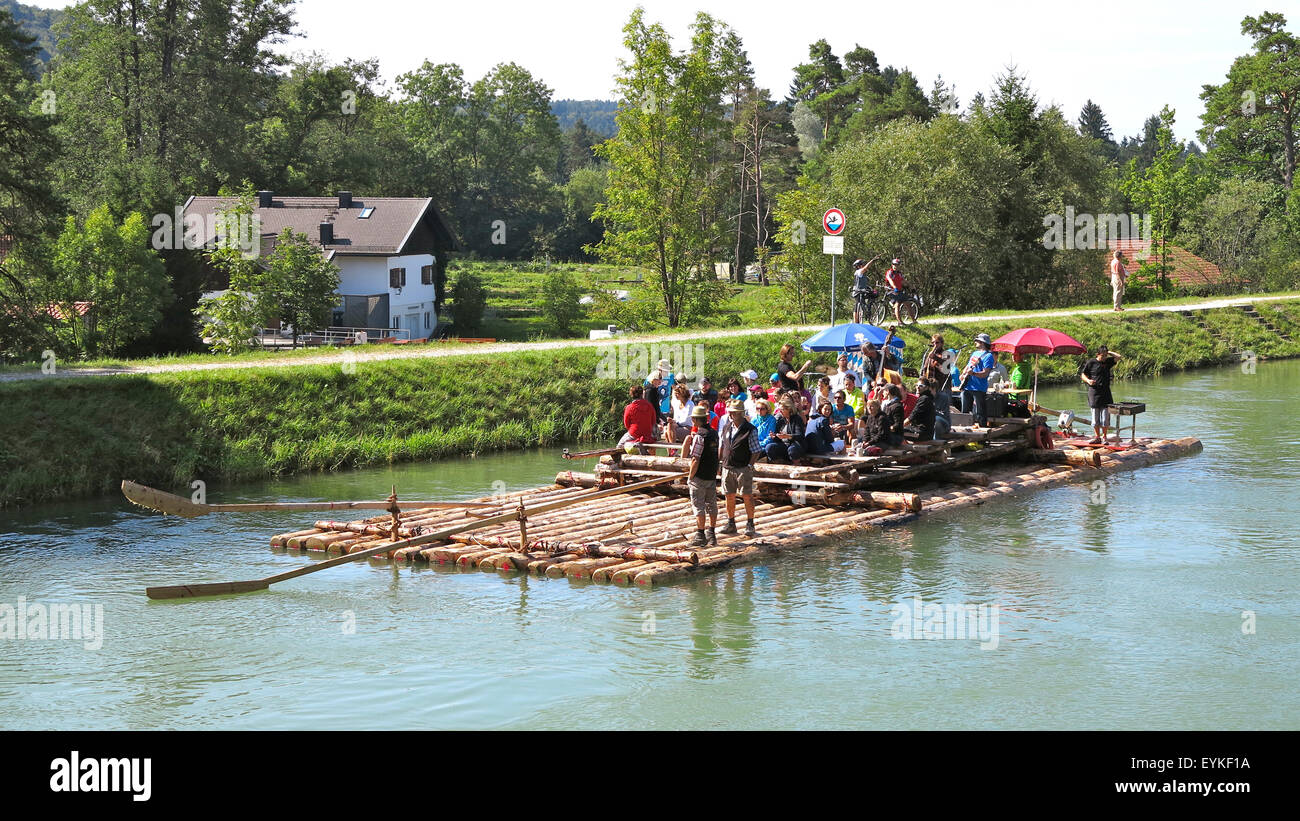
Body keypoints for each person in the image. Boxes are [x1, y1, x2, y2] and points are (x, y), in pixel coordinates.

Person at [718, 400, 760, 537]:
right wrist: (720, 462)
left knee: (747, 496)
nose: (731, 414)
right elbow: (722, 446)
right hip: (727, 466)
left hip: (743, 467)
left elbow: (756, 450)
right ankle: (731, 523)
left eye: (734, 412)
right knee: (728, 495)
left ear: (741, 413)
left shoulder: (750, 429)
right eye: (730, 411)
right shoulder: (726, 427)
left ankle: (750, 523)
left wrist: (749, 465)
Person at [684, 405, 720, 547]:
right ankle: (711, 534)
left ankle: (700, 535)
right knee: (711, 504)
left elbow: (695, 459)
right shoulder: (714, 433)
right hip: (711, 474)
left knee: (698, 505)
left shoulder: (700, 436)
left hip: (700, 476)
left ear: (694, 420)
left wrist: (690, 476)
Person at [1081, 345, 1123, 444]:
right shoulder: (1091, 362)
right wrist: (1088, 381)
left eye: (1105, 356)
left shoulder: (1108, 362)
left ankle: (1104, 437)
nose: (1104, 358)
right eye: (1102, 356)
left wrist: (1108, 352)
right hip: (1094, 393)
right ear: (1097, 354)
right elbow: (1083, 374)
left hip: (1106, 393)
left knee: (1105, 419)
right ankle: (1097, 437)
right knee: (1095, 419)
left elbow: (1119, 357)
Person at [958, 333, 996, 428]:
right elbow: (968, 366)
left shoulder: (988, 356)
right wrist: (963, 374)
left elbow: (986, 373)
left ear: (983, 343)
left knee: (980, 413)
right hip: (967, 386)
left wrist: (973, 374)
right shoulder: (974, 353)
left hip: (979, 388)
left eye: (978, 340)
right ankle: (964, 433)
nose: (976, 342)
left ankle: (982, 436)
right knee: (965, 413)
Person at [922, 333, 953, 424]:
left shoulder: (946, 354)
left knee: (944, 408)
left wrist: (935, 357)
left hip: (942, 385)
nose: (935, 345)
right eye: (933, 343)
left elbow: (946, 368)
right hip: (931, 385)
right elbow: (925, 368)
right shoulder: (930, 355)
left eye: (937, 343)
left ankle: (946, 425)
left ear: (942, 343)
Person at [619, 384, 658, 454]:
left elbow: (626, 424)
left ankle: (622, 462)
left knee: (619, 446)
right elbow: (653, 421)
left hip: (634, 433)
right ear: (642, 394)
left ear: (631, 395)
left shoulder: (629, 407)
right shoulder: (649, 405)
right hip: (648, 434)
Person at [765, 398, 807, 464]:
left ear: (789, 409)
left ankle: (796, 465)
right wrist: (774, 436)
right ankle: (778, 466)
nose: (780, 412)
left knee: (792, 449)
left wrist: (788, 436)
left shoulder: (796, 419)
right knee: (769, 447)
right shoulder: (781, 420)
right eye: (779, 410)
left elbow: (800, 436)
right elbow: (778, 435)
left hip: (796, 445)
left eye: (782, 409)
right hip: (784, 445)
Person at [884, 259, 906, 324]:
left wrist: (910, 286)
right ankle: (900, 322)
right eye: (894, 264)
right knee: (897, 304)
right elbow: (890, 280)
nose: (896, 266)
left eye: (897, 265)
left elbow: (903, 281)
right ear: (892, 265)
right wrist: (894, 287)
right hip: (891, 290)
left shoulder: (899, 273)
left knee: (907, 303)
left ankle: (914, 320)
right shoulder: (890, 272)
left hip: (898, 290)